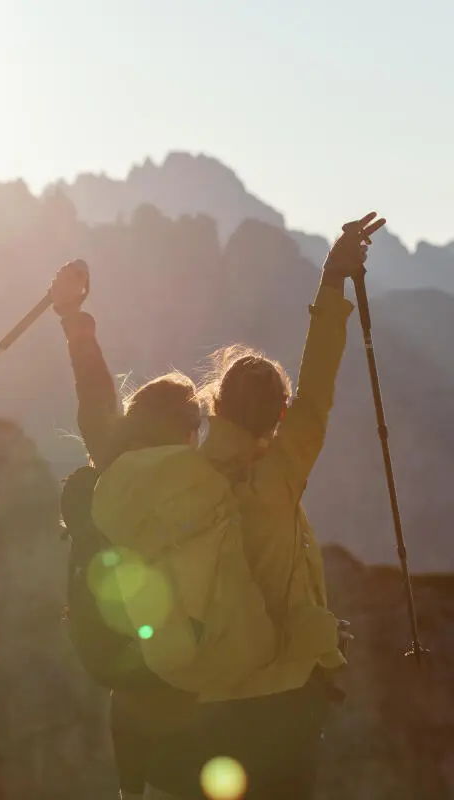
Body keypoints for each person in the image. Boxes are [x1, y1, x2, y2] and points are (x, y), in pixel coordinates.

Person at [52, 211, 384, 799]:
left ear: (212, 408)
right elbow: (318, 388)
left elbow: (104, 426)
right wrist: (332, 282)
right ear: (280, 417)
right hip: (289, 706)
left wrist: (76, 323)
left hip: (208, 710)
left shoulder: (178, 477)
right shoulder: (284, 473)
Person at [50, 263, 205, 800]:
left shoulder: (110, 461)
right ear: (187, 432)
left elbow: (92, 385)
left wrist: (72, 314)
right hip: (177, 683)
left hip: (118, 671)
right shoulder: (199, 486)